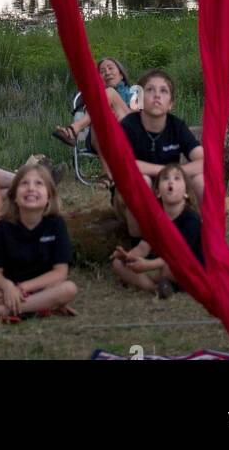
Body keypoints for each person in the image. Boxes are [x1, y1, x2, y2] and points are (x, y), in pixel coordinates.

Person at [0, 162, 77, 320]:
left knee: (69, 288)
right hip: (6, 289)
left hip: (41, 287)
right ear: (14, 196)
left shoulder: (56, 224)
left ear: (49, 196)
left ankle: (1, 311)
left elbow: (60, 273)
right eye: (24, 183)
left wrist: (22, 288)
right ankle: (40, 307)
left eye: (39, 183)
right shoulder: (2, 227)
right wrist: (8, 287)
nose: (31, 188)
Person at [112, 70, 204, 239]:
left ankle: (204, 236)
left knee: (200, 180)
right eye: (150, 90)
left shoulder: (176, 125)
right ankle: (142, 241)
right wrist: (166, 170)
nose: (156, 95)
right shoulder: (128, 126)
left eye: (163, 91)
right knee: (143, 180)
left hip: (169, 188)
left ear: (170, 103)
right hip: (132, 192)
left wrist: (173, 174)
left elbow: (203, 161)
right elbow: (125, 164)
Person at [111, 162, 204, 297]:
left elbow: (178, 256)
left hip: (189, 267)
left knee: (169, 269)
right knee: (118, 264)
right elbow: (144, 247)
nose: (170, 182)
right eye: (165, 178)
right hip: (161, 264)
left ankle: (169, 283)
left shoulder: (191, 219)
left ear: (187, 193)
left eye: (177, 178)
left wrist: (147, 265)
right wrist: (128, 256)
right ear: (158, 192)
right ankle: (155, 288)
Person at [53, 57, 139, 151]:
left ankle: (73, 129)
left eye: (110, 68)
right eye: (102, 71)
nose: (107, 72)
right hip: (101, 140)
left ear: (121, 74)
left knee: (109, 93)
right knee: (100, 101)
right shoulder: (94, 96)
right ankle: (73, 131)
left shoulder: (135, 91)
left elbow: (137, 119)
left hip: (128, 137)